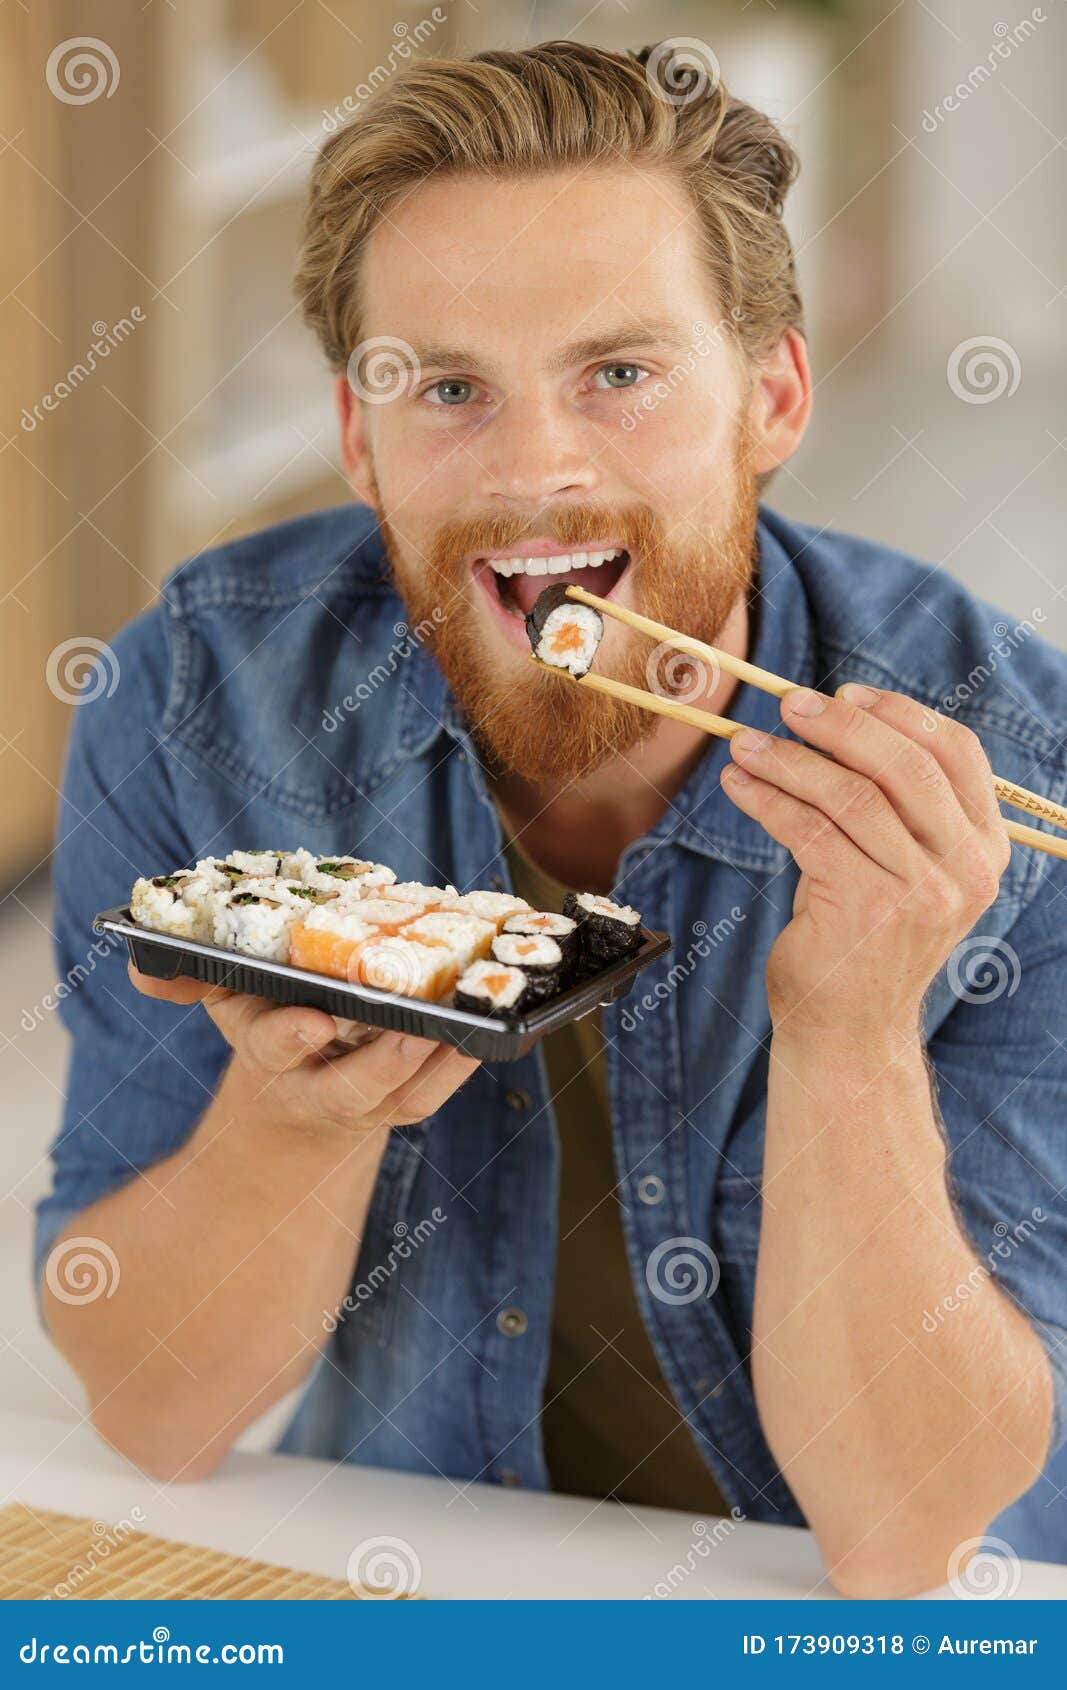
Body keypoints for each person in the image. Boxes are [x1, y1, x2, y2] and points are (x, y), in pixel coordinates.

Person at [37, 41, 1067, 1597]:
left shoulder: (1006, 767)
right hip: (418, 1582)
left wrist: (851, 1023)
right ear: (357, 438)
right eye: (448, 388)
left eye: (622, 373)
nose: (534, 469)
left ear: (771, 392)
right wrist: (296, 1119)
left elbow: (904, 1530)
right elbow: (156, 1412)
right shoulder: (200, 697)